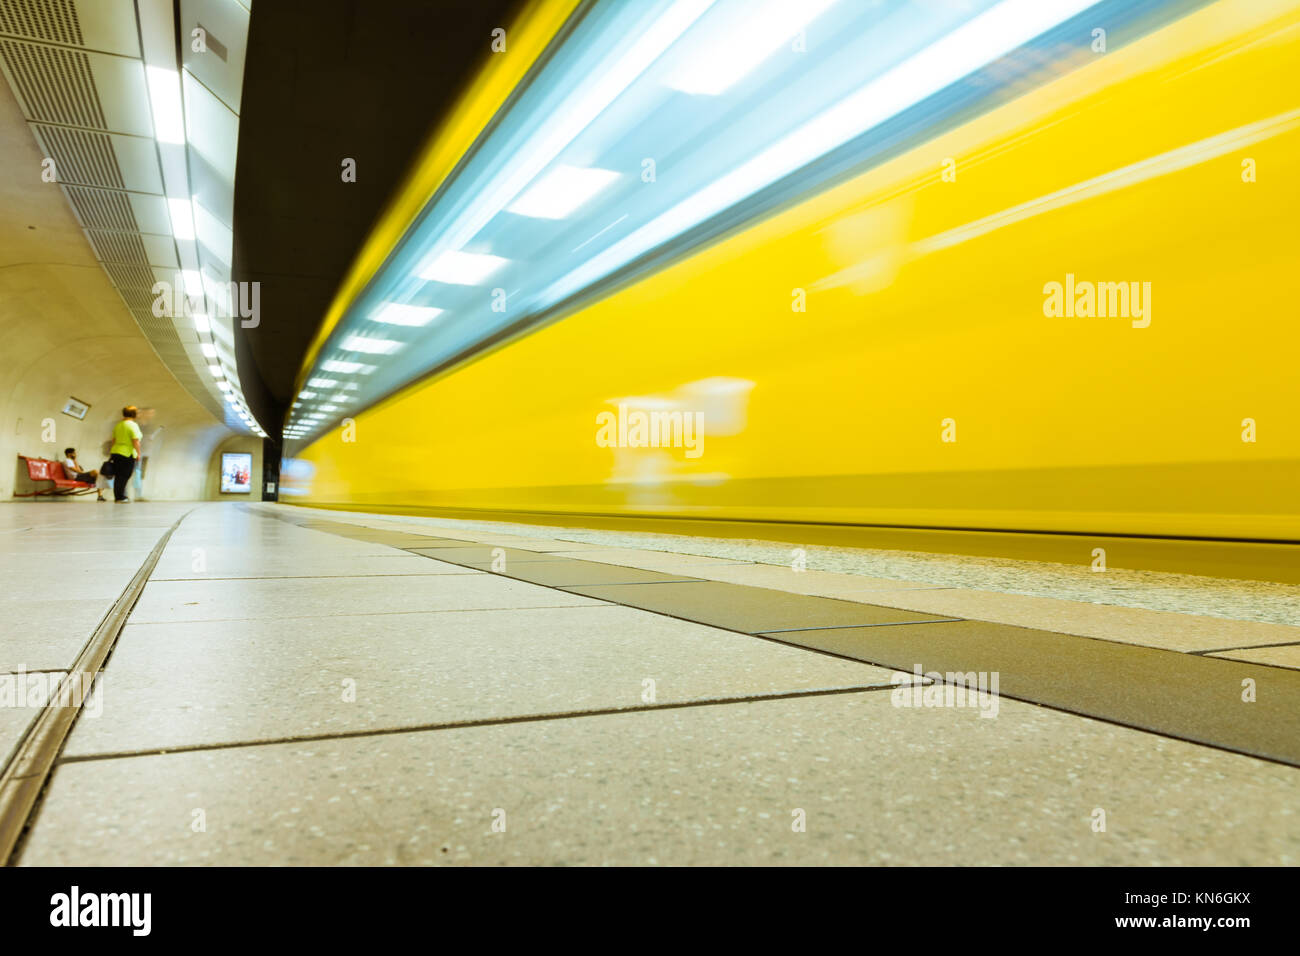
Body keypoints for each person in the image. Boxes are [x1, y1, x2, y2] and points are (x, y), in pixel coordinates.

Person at [108, 406, 143, 503]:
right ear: (134, 414)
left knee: (118, 475)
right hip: (127, 453)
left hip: (116, 452)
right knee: (124, 475)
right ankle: (120, 497)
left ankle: (119, 496)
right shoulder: (132, 425)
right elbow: (135, 440)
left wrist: (112, 452)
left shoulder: (118, 425)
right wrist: (139, 453)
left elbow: (113, 440)